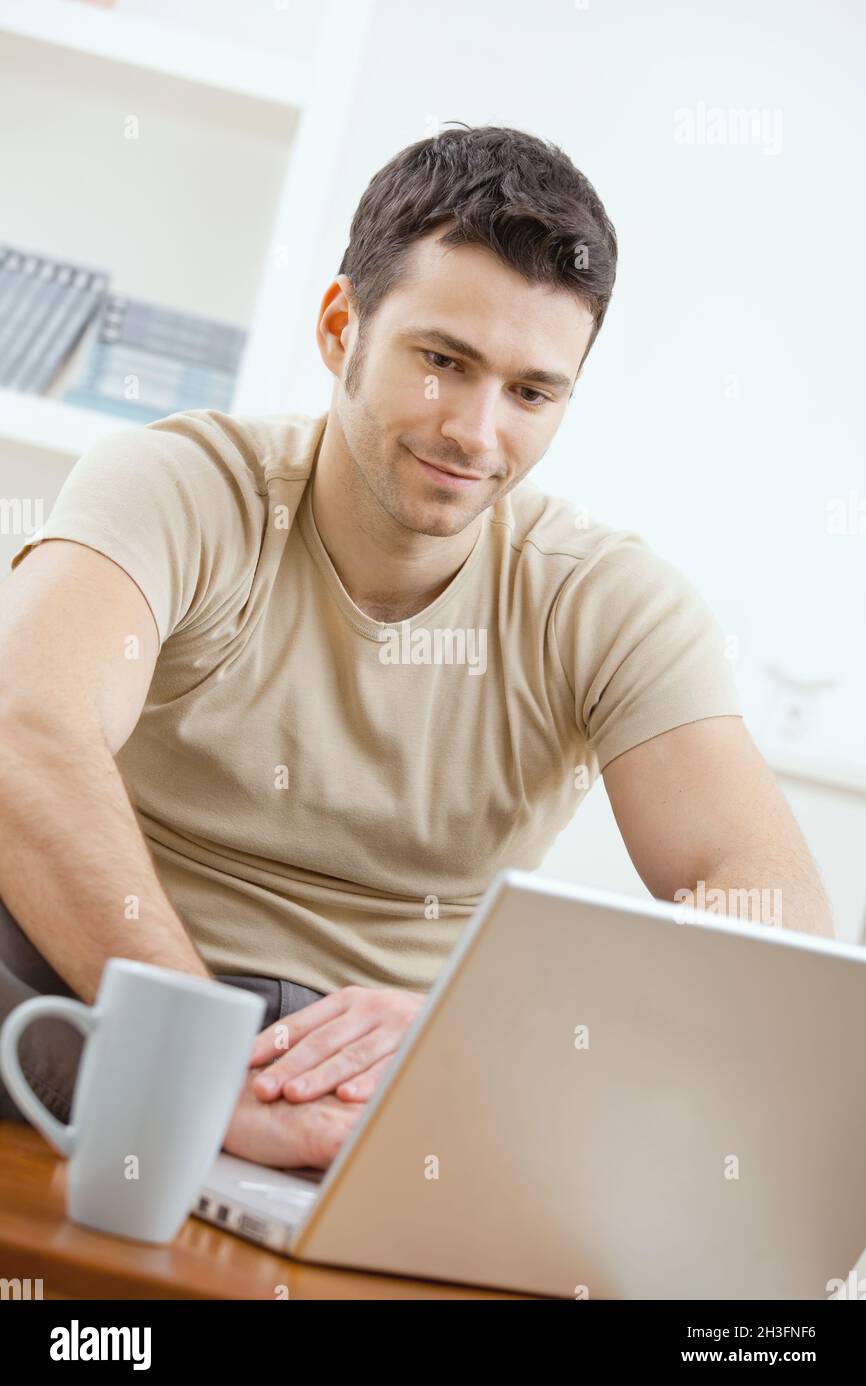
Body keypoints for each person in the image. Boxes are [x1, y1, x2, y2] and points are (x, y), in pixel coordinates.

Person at [0, 124, 833, 1170]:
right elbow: (26, 734)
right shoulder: (178, 485)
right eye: (443, 362)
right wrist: (196, 1063)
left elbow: (775, 921)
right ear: (341, 326)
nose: (477, 434)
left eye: (531, 393)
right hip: (105, 989)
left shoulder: (605, 601)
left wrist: (486, 1023)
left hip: (395, 1076)